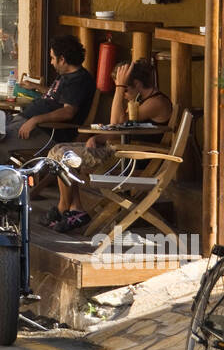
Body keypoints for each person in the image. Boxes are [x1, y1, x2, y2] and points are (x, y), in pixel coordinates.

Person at [44, 59, 174, 233]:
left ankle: (63, 208)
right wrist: (98, 138)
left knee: (65, 157)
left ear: (136, 84)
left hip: (132, 159)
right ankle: (75, 208)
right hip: (122, 153)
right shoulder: (142, 100)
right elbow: (119, 127)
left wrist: (119, 89)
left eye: (125, 89)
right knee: (57, 151)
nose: (123, 94)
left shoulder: (156, 103)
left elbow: (115, 124)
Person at [0, 35, 95, 173]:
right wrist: (36, 87)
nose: (51, 62)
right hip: (23, 120)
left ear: (62, 59)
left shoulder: (79, 81)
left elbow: (68, 112)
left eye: (52, 58)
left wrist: (35, 120)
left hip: (45, 131)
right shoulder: (66, 75)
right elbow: (55, 95)